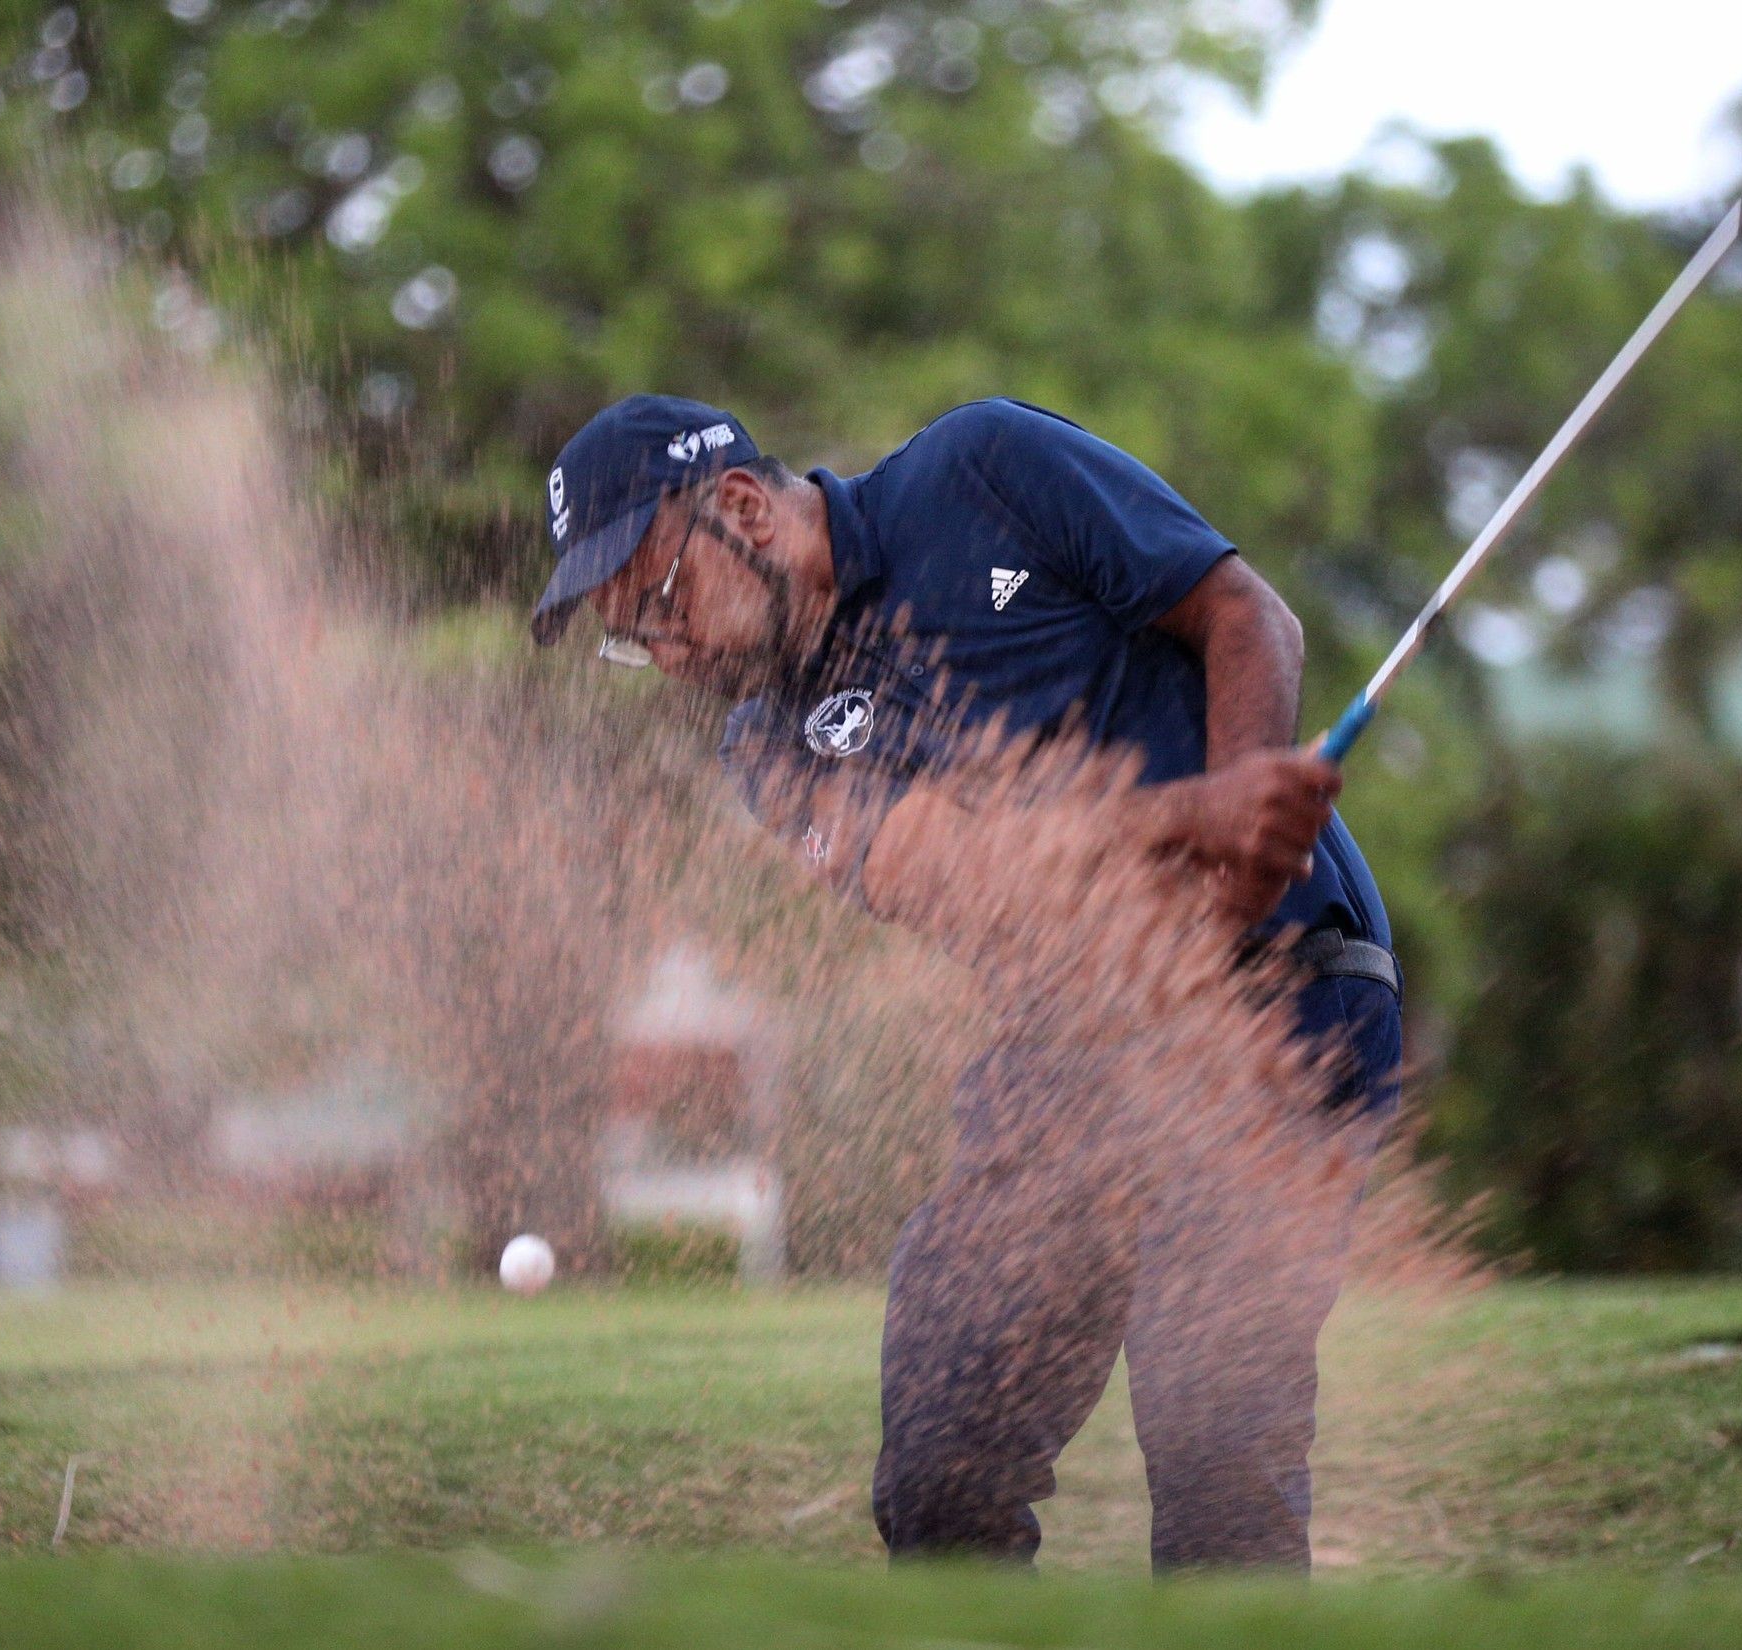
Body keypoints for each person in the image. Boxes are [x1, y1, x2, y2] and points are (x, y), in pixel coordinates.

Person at [530, 393, 1402, 1571]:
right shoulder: (767, 749)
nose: (665, 654)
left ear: (740, 509)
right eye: (630, 639)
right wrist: (1190, 818)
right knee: (940, 1468)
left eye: (662, 602)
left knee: (1214, 1452)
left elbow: (1245, 615)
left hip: (1284, 1005)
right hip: (1067, 1060)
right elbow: (958, 872)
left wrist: (1249, 817)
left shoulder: (982, 469)